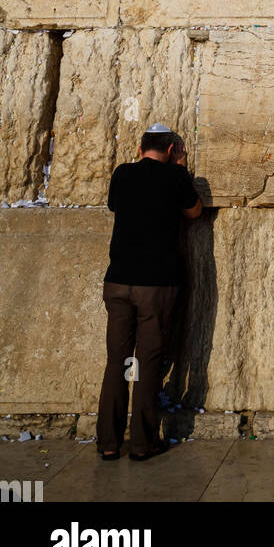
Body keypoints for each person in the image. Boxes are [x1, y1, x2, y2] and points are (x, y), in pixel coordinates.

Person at [96, 123, 202, 461]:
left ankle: (109, 442)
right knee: (146, 363)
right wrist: (181, 168)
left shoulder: (122, 174)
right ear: (172, 150)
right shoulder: (174, 178)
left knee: (118, 362)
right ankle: (142, 442)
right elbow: (194, 211)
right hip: (155, 287)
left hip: (117, 283)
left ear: (141, 149)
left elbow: (115, 206)